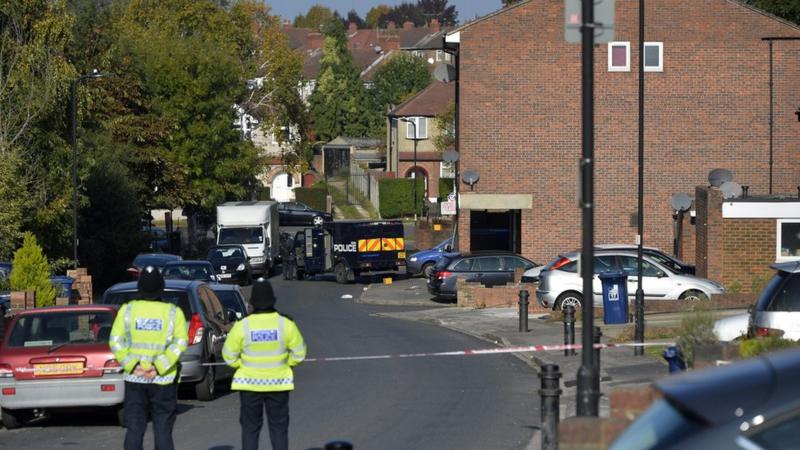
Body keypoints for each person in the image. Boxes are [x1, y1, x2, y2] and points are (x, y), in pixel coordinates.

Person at [109, 266, 188, 450]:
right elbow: (180, 344)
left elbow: (115, 341)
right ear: (162, 287)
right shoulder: (173, 313)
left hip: (134, 379)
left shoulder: (127, 311)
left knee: (135, 428)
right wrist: (158, 367)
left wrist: (133, 365)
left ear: (139, 288)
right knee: (162, 429)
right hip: (164, 379)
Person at [223, 279, 306, 450]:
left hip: (249, 385)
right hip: (278, 384)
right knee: (278, 429)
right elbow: (299, 353)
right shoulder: (286, 324)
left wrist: (243, 365)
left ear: (252, 302)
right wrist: (285, 363)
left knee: (250, 430)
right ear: (273, 300)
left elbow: (228, 356)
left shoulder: (242, 326)